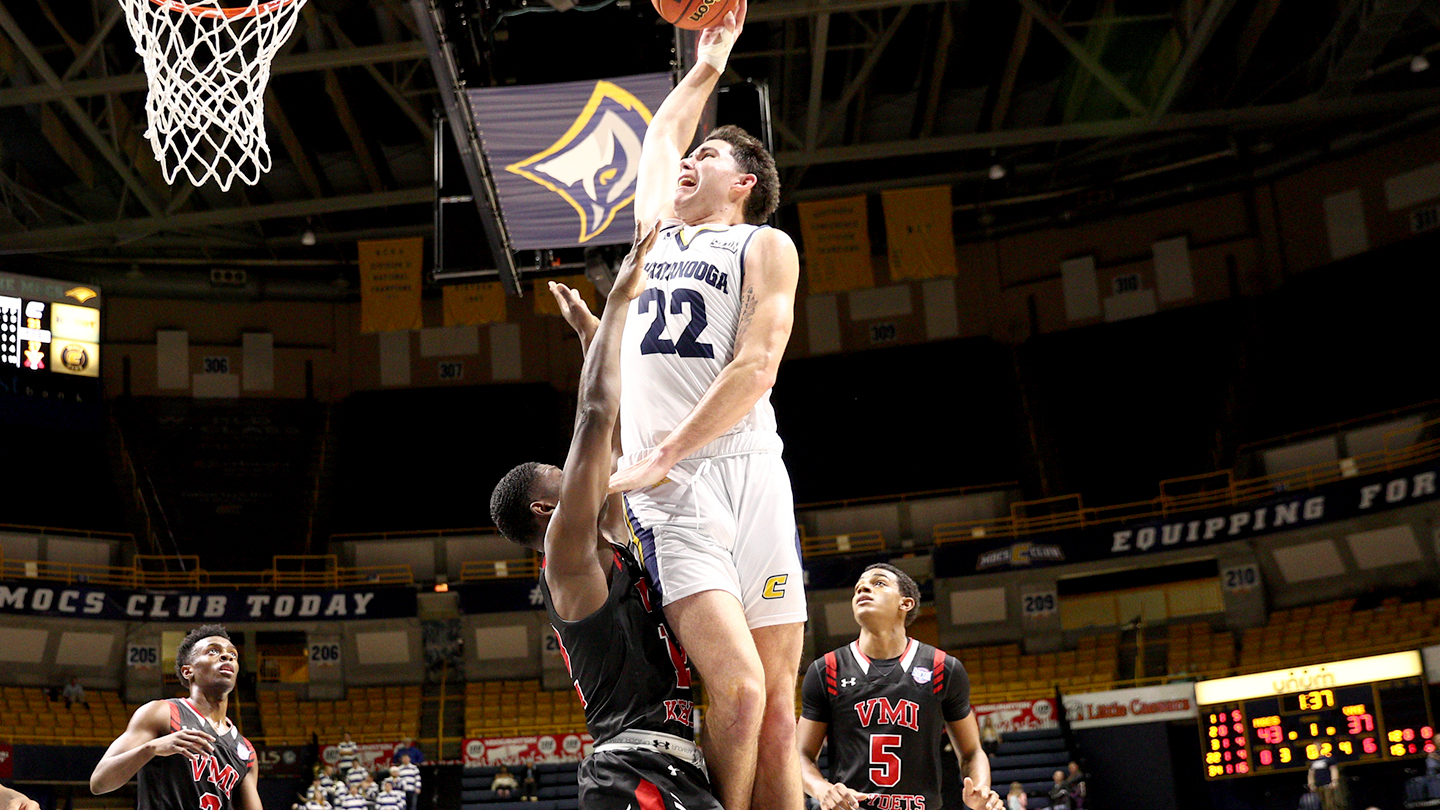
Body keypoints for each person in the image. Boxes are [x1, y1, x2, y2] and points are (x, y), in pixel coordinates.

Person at [607, 2, 805, 808]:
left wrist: (668, 446)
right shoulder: (654, 231)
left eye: (709, 155)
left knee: (781, 712)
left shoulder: (766, 245)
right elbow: (660, 137)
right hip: (673, 492)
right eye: (691, 155)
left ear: (744, 183)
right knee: (743, 693)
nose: (689, 160)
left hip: (750, 470)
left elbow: (757, 367)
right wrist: (709, 64)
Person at [489, 224, 720, 810]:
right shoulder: (566, 558)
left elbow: (613, 431)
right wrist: (617, 299)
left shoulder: (607, 538)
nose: (572, 471)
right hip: (631, 770)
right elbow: (593, 414)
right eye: (557, 471)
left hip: (672, 762)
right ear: (545, 509)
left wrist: (590, 333)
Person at [797, 564, 1002, 810]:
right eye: (858, 587)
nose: (863, 588)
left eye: (879, 583)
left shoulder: (943, 668)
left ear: (906, 603)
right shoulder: (827, 669)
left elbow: (972, 752)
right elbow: (802, 755)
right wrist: (822, 789)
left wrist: (980, 789)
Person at [89, 625, 261, 810]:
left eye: (233, 654)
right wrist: (152, 748)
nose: (227, 656)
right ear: (188, 671)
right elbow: (99, 783)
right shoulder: (162, 713)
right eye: (213, 651)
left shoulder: (246, 750)